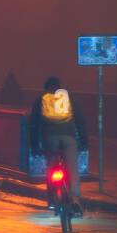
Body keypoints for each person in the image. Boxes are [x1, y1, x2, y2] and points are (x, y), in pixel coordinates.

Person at [28, 76, 89, 215]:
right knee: (72, 168)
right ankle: (74, 199)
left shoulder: (41, 100)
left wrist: (34, 145)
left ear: (46, 88)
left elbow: (33, 125)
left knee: (51, 167)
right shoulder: (68, 98)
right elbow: (80, 121)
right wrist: (84, 142)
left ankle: (52, 200)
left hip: (50, 138)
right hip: (69, 137)